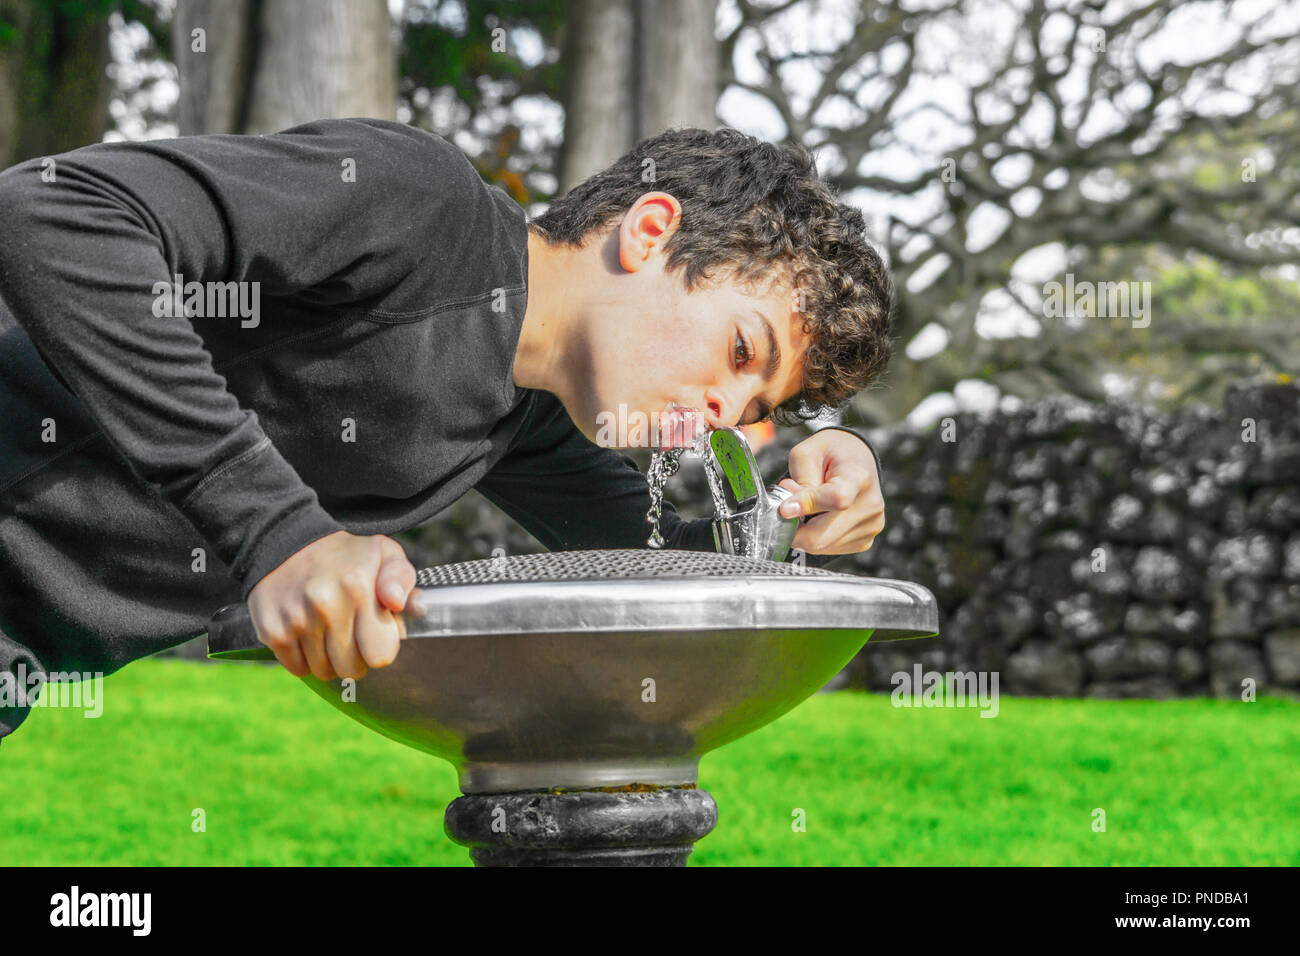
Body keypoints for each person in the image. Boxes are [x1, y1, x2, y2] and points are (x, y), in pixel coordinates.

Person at [0, 119, 892, 743]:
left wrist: (801, 507)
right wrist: (280, 535)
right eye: (740, 349)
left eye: (748, 409)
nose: (719, 412)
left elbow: (675, 571)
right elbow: (54, 213)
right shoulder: (424, 207)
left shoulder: (524, 419)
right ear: (651, 232)